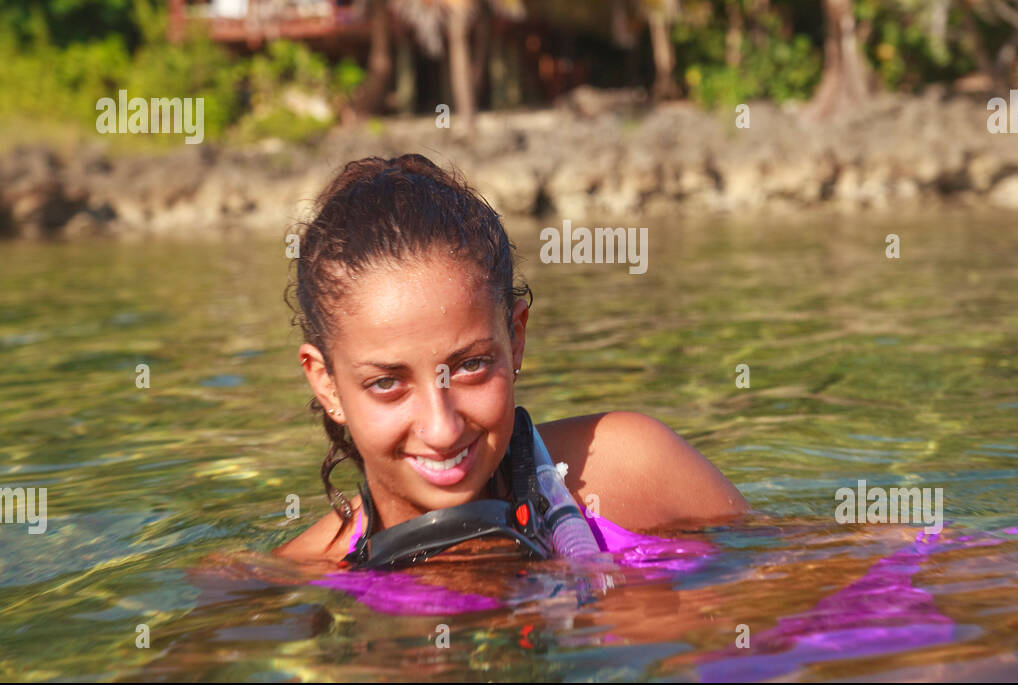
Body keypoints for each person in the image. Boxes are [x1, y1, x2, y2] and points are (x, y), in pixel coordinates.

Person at [275, 153, 747, 565]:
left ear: (515, 338)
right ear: (327, 384)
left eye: (470, 365)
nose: (442, 431)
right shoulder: (297, 580)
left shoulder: (631, 470)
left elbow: (802, 601)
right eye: (386, 383)